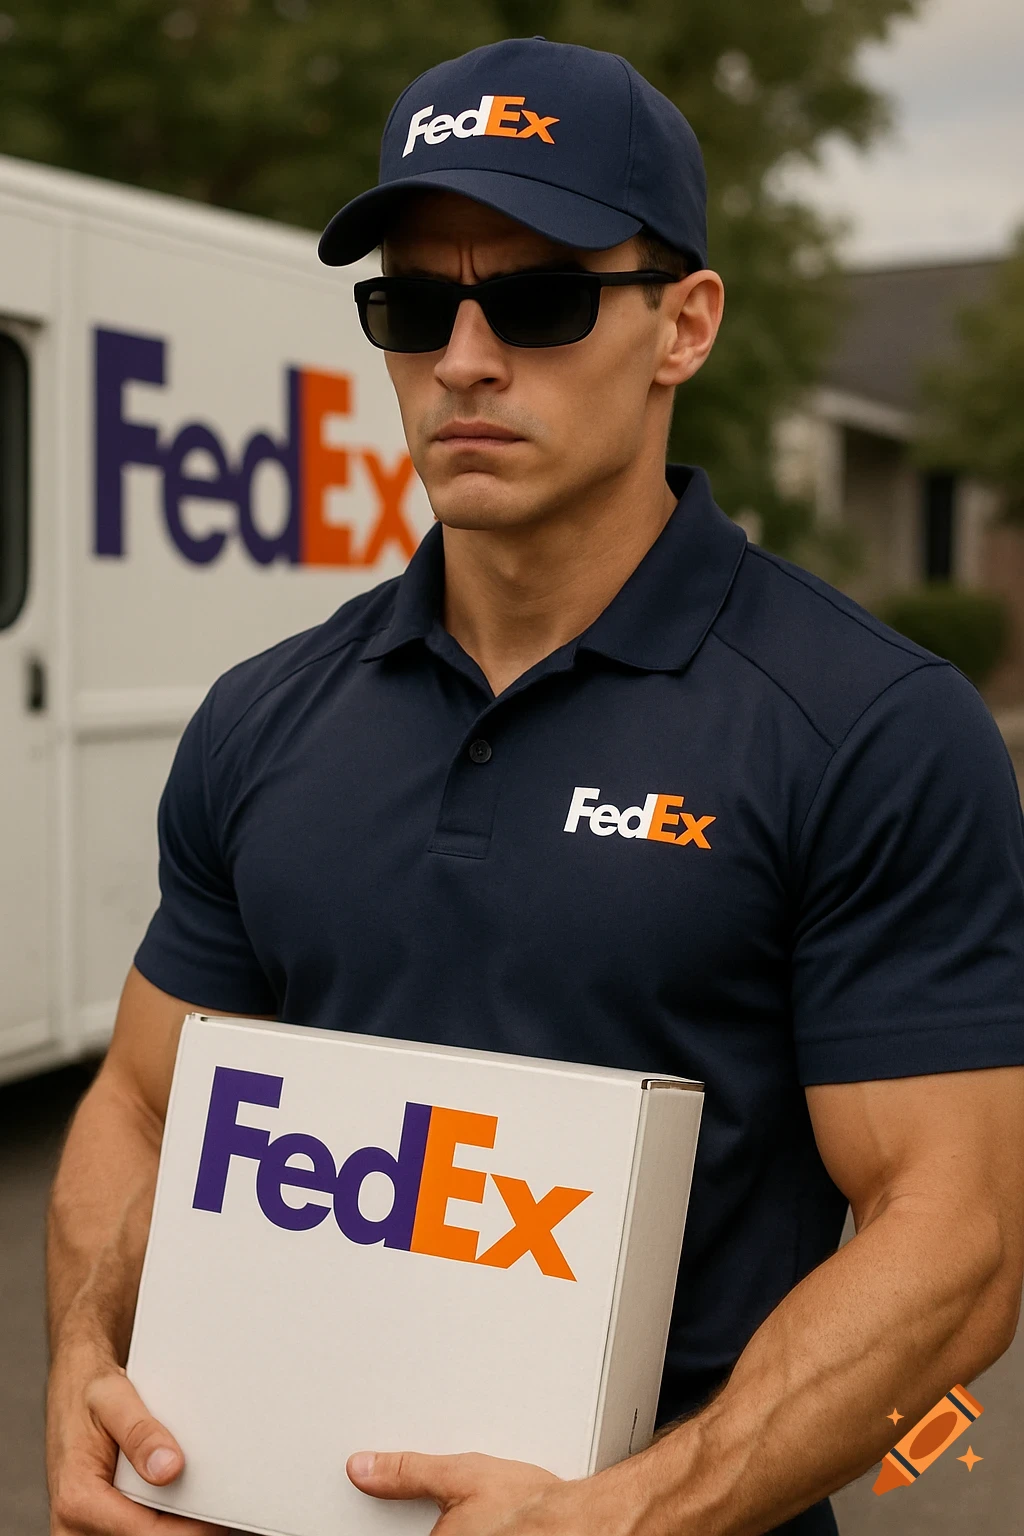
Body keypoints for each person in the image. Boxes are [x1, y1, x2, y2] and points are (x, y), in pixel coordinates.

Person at [46, 36, 1024, 1536]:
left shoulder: (871, 728)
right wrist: (83, 1370)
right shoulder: (265, 717)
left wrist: (626, 1514)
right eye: (415, 303)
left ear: (684, 325)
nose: (464, 359)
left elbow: (956, 1241)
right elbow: (135, 1103)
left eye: (543, 298)